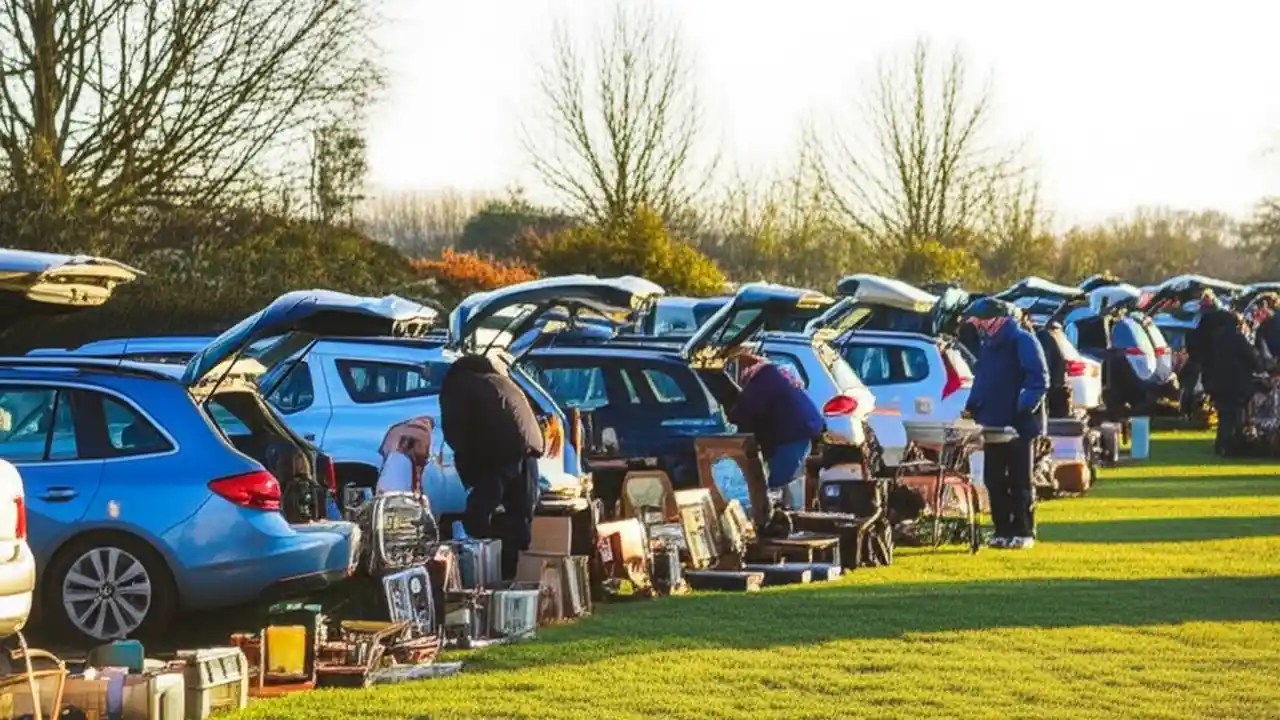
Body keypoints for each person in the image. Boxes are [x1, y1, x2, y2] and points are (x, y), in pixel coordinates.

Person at [439, 354, 544, 578]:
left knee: (479, 509)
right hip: (528, 448)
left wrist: (468, 470)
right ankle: (517, 572)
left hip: (500, 451)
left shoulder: (458, 385)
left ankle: (477, 568)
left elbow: (456, 431)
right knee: (520, 512)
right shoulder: (501, 381)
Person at [961, 299, 1048, 550]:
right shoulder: (987, 345)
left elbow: (1038, 380)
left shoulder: (1023, 340)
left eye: (979, 319)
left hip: (1018, 425)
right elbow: (983, 380)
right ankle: (1002, 530)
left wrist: (1022, 408)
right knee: (994, 479)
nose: (975, 324)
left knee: (1020, 479)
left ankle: (1024, 531)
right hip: (992, 425)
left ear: (995, 319)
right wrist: (972, 406)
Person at [728, 353, 824, 511]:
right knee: (790, 479)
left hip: (791, 435)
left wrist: (734, 421)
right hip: (802, 429)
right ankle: (790, 511)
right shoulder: (772, 374)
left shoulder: (761, 381)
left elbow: (747, 412)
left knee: (780, 481)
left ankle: (789, 514)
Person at [1206, 313, 1264, 456]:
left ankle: (1220, 445)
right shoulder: (1238, 339)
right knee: (1235, 415)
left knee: (1224, 416)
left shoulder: (1217, 339)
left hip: (1219, 384)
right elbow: (1253, 358)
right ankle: (1232, 445)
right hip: (1237, 384)